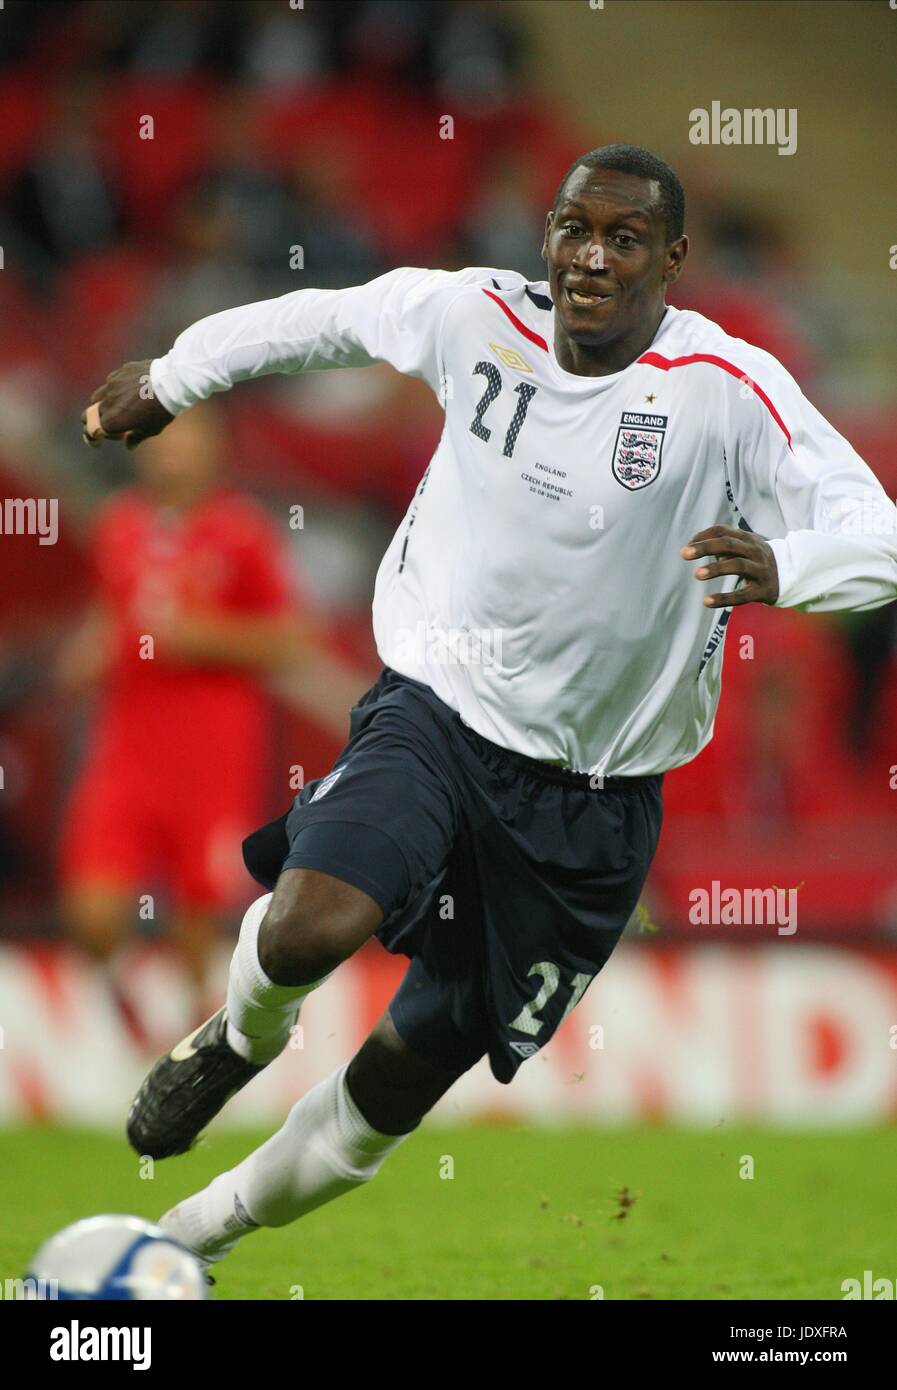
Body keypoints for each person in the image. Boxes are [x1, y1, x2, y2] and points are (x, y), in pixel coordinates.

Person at [80, 144, 897, 1274]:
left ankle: (184, 1239)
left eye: (622, 238)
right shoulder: (475, 316)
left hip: (592, 806)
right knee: (315, 921)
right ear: (547, 234)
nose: (590, 258)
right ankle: (238, 1038)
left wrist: (788, 563)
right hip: (441, 715)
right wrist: (171, 380)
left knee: (397, 1078)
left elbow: (883, 535)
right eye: (573, 229)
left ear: (674, 258)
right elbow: (323, 318)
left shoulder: (730, 390)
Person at [58, 402, 299, 1027]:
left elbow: (288, 640)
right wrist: (85, 656)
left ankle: (197, 1036)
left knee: (199, 914)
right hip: (128, 747)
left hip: (213, 751)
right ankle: (125, 998)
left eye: (183, 438)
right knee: (93, 906)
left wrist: (202, 636)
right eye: (158, 439)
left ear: (214, 447)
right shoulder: (117, 526)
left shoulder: (243, 532)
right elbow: (110, 615)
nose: (168, 452)